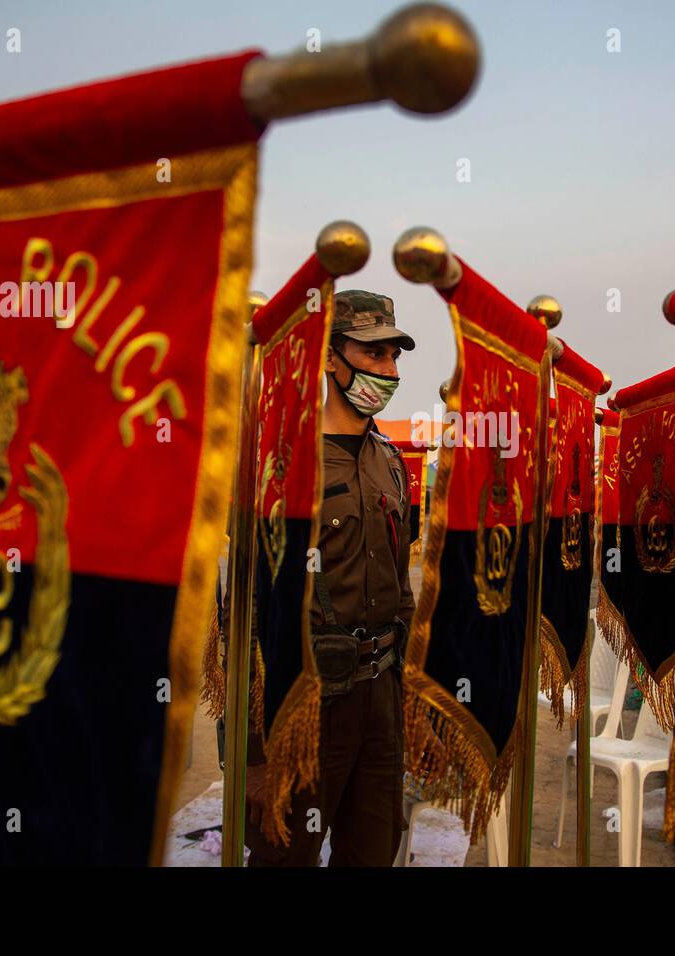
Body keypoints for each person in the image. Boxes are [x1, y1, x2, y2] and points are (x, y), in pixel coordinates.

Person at [243, 289, 417, 866]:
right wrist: (249, 750)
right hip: (307, 703)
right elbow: (246, 613)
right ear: (329, 358)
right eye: (373, 355)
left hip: (380, 698)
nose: (388, 370)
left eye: (393, 356)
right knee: (283, 856)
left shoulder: (390, 462)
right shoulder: (283, 464)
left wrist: (414, 700)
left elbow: (403, 591)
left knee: (373, 850)